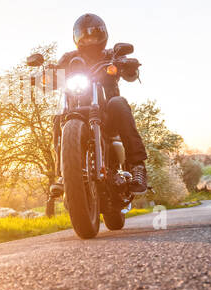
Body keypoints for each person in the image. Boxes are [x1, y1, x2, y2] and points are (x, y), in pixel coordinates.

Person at [55, 13, 149, 192]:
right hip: (77, 111)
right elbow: (53, 75)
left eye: (94, 35)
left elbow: (131, 74)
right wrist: (44, 76)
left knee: (119, 102)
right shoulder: (69, 59)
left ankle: (137, 166)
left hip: (108, 113)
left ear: (102, 35)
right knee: (57, 116)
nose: (90, 39)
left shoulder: (111, 55)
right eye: (85, 35)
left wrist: (128, 65)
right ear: (77, 37)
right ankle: (61, 173)